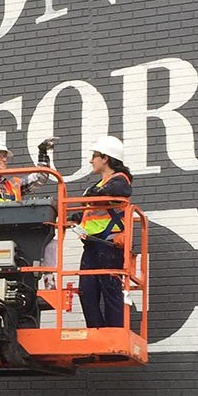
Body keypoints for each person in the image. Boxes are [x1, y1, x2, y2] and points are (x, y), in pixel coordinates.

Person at [71, 135, 132, 328]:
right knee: (86, 291)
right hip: (91, 245)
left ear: (105, 158)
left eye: (94, 156)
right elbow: (89, 213)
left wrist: (92, 195)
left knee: (111, 291)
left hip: (109, 245)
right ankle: (97, 331)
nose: (91, 160)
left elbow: (118, 190)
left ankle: (114, 333)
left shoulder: (120, 180)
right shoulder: (95, 186)